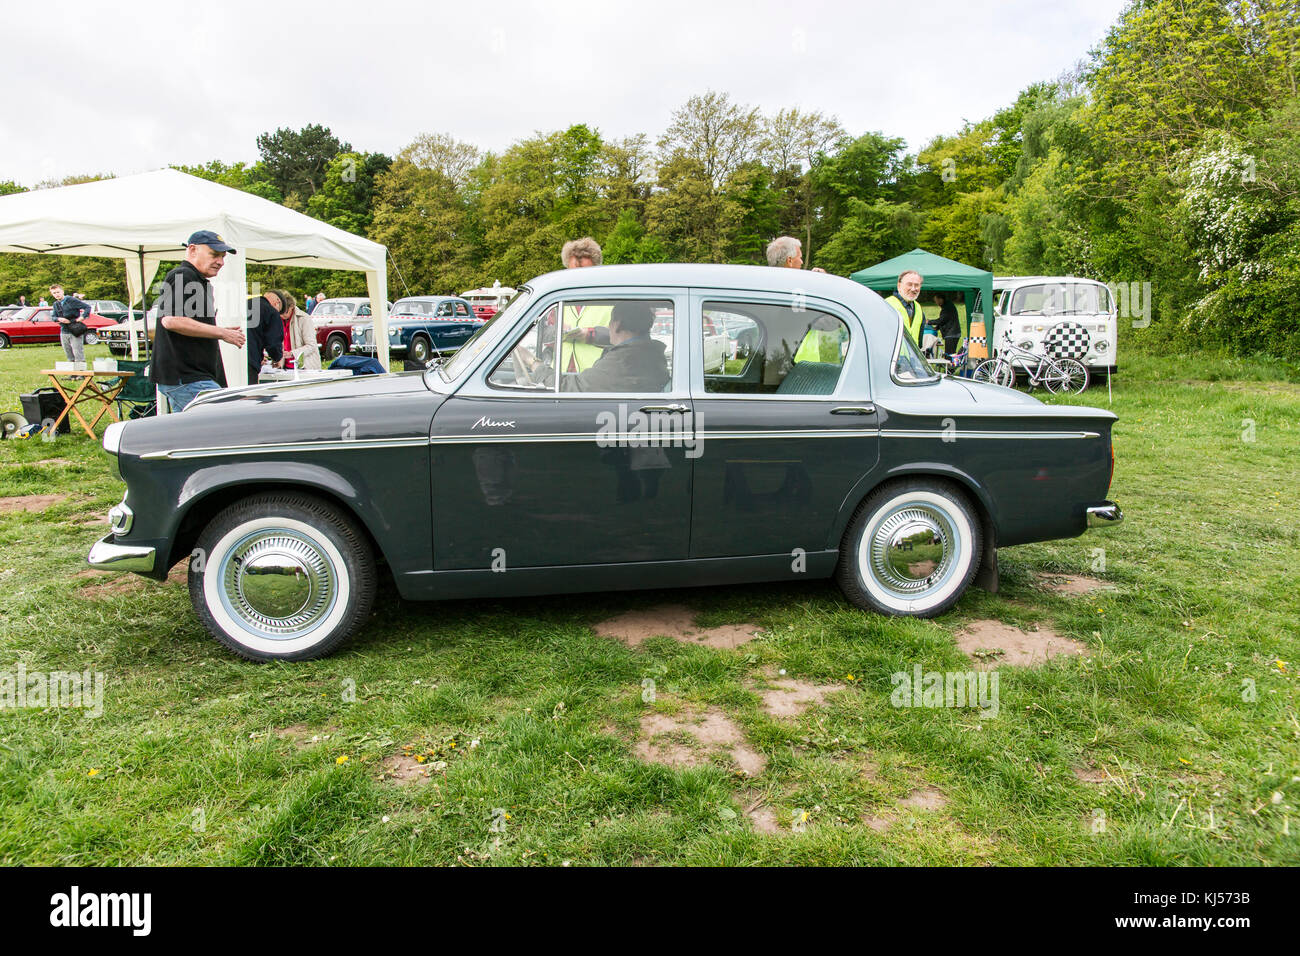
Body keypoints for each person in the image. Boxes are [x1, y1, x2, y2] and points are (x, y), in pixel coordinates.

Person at [149, 230, 246, 412]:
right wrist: (221, 333)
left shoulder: (197, 280)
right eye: (214, 255)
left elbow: (184, 323)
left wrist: (217, 330)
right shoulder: (183, 275)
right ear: (192, 250)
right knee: (224, 423)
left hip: (190, 377)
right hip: (187, 377)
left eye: (223, 257)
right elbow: (171, 321)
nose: (220, 262)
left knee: (192, 436)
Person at [515, 301, 668, 393]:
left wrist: (531, 361)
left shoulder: (624, 361)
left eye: (610, 321)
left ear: (617, 324)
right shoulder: (649, 354)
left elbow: (568, 387)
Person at [556, 238, 610, 372]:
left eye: (585, 272)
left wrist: (590, 334)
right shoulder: (557, 296)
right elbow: (544, 332)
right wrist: (558, 330)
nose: (578, 278)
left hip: (595, 378)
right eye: (573, 272)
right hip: (561, 376)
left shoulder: (610, 297)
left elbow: (624, 336)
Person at [246, 289, 286, 383]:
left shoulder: (245, 304)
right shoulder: (271, 312)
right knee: (249, 395)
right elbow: (273, 343)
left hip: (230, 358)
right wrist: (277, 358)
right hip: (250, 363)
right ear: (277, 302)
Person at [49, 285, 92, 362]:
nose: (56, 294)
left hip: (75, 329)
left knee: (77, 353)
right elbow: (53, 317)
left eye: (58, 292)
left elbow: (87, 307)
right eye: (54, 293)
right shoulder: (56, 304)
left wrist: (82, 317)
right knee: (69, 354)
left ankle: (81, 373)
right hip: (64, 330)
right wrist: (59, 319)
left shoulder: (71, 300)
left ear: (62, 292)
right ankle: (73, 373)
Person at [282, 290, 321, 370]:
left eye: (285, 311)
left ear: (292, 306)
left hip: (305, 368)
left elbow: (311, 345)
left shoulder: (304, 319)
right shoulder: (278, 320)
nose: (282, 315)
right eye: (279, 312)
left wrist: (292, 353)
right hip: (286, 368)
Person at [885, 270, 924, 346]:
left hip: (912, 356)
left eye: (916, 285)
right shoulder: (887, 305)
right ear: (899, 286)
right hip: (893, 356)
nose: (913, 289)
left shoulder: (918, 307)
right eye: (909, 284)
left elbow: (919, 336)